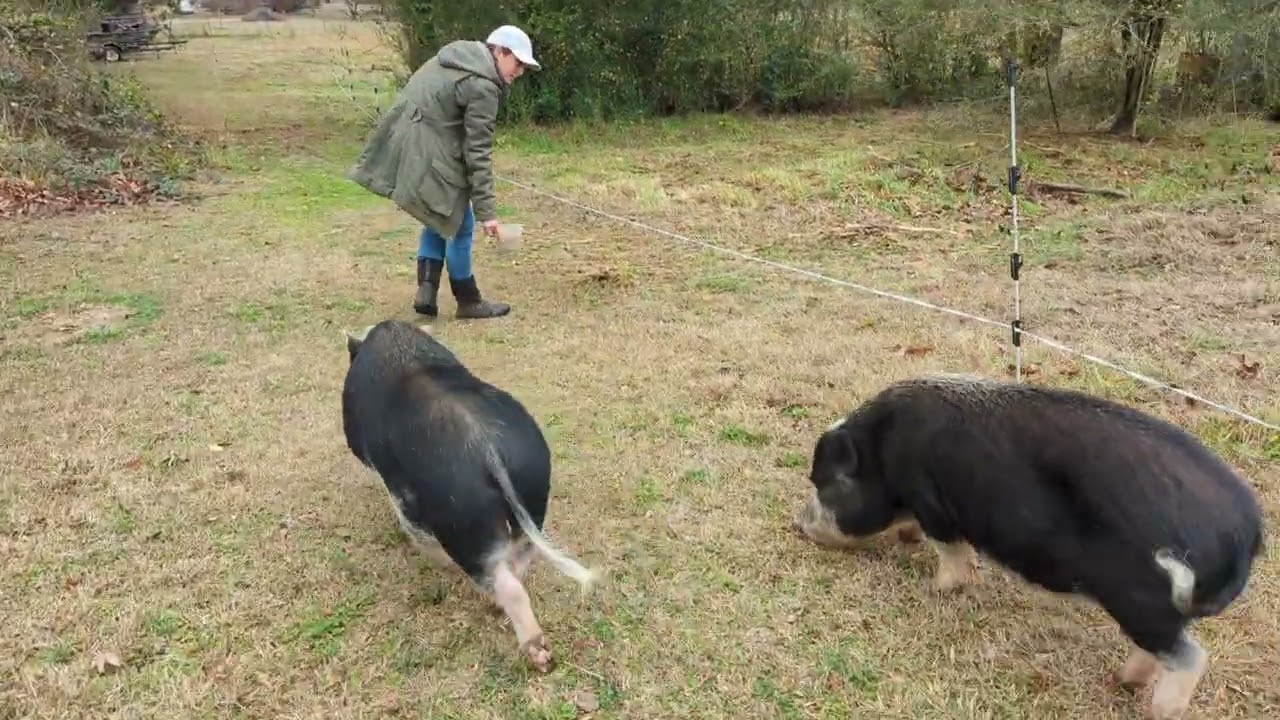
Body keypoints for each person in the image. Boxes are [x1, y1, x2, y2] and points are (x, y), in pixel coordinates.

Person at [348, 25, 541, 320]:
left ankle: (426, 290)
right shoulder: (484, 85)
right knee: (462, 224)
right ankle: (468, 301)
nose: (519, 72)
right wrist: (488, 213)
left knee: (439, 214)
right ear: (500, 52)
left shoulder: (456, 57)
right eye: (517, 63)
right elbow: (478, 151)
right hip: (428, 153)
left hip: (408, 144)